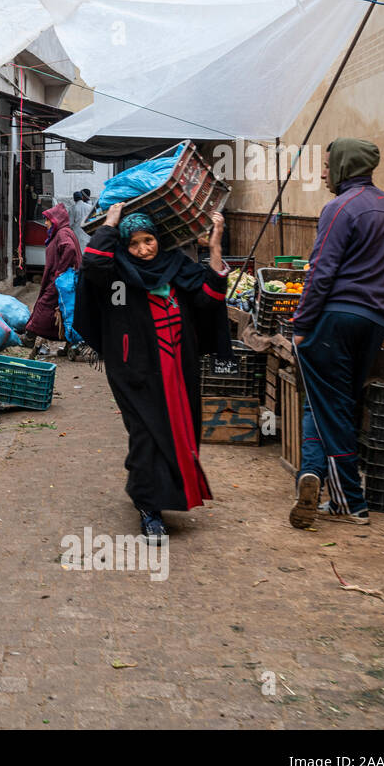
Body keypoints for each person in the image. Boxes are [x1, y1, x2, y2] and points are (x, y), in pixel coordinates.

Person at [74, 204, 231, 541]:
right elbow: (93, 263)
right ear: (123, 246)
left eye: (149, 241)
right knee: (146, 435)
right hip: (135, 369)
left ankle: (169, 495)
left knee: (179, 431)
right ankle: (149, 510)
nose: (143, 250)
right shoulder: (116, 272)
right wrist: (111, 223)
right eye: (134, 244)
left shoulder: (176, 266)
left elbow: (210, 296)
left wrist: (215, 245)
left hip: (179, 368)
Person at [288, 138, 384, 529]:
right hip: (373, 321)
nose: (323, 172)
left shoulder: (338, 208)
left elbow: (321, 271)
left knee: (329, 406)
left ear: (342, 166)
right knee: (334, 405)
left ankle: (349, 502)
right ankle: (313, 474)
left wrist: (301, 326)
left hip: (334, 321)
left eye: (327, 165)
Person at [24, 203, 82, 352]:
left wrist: (60, 271)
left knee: (43, 306)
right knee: (63, 311)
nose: (46, 223)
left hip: (60, 281)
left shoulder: (62, 233)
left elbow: (68, 249)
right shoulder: (64, 232)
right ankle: (68, 343)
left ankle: (30, 336)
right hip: (64, 281)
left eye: (48, 220)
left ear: (56, 220)